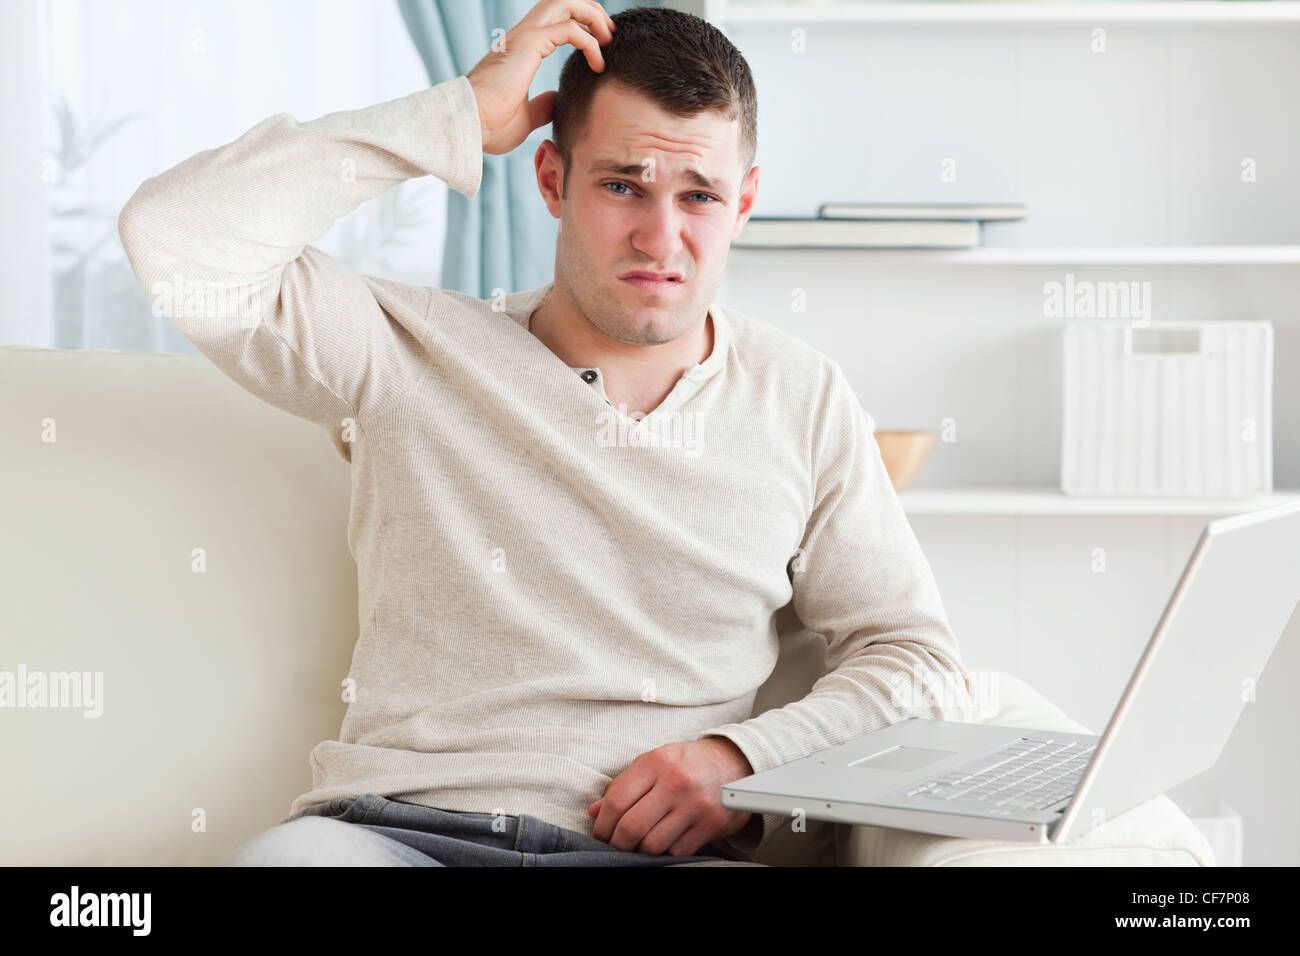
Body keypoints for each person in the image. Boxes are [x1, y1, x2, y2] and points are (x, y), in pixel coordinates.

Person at [117, 0, 976, 867]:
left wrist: (741, 763)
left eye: (699, 196)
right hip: (393, 838)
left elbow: (919, 664)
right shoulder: (404, 350)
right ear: (552, 180)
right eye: (621, 185)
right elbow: (174, 237)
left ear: (743, 201)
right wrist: (451, 117)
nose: (660, 238)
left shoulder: (802, 396)